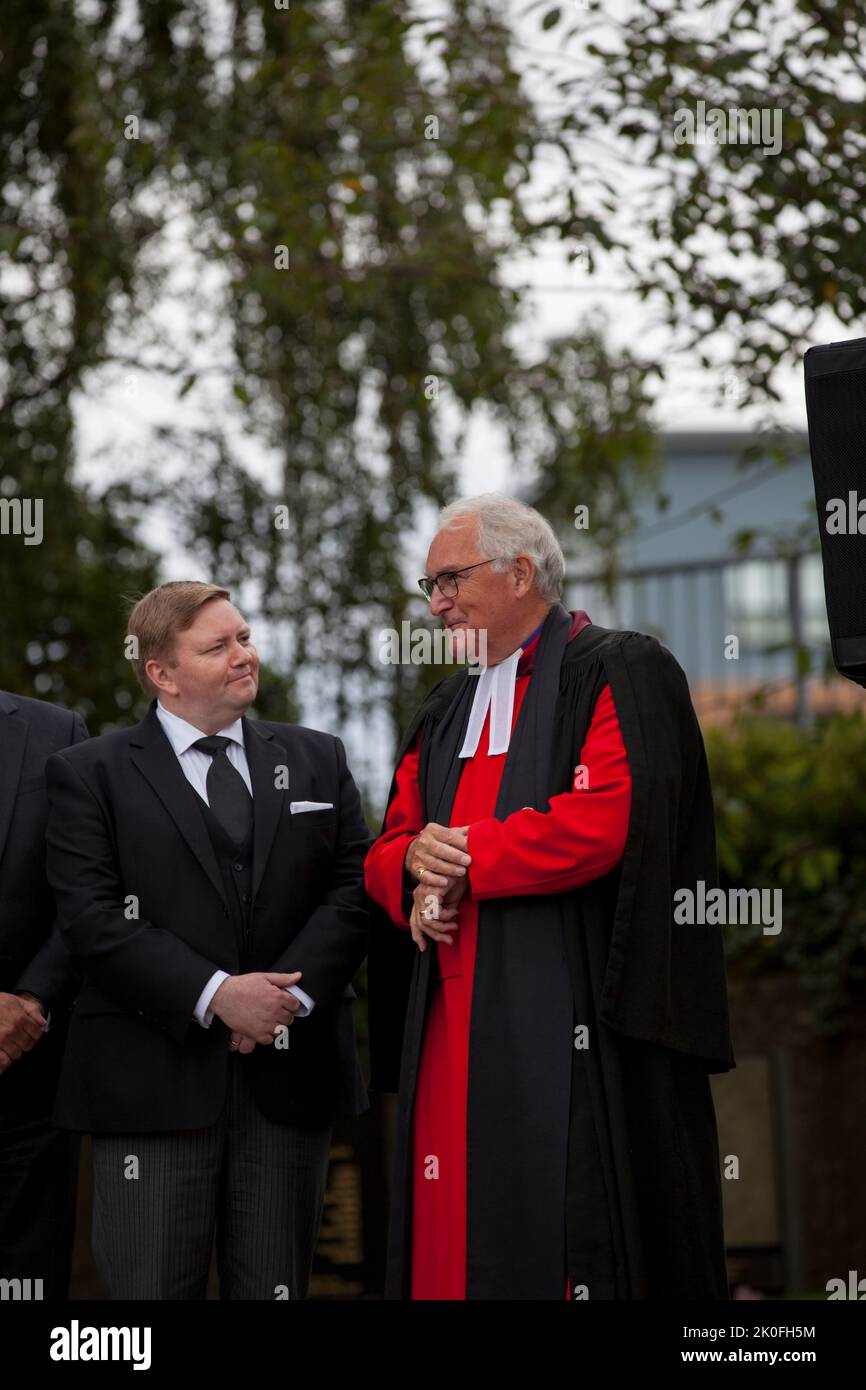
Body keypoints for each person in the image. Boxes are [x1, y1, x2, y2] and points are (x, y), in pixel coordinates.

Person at [365, 493, 735, 1300]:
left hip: (578, 1009)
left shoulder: (620, 666)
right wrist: (410, 875)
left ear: (521, 570)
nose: (437, 603)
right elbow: (389, 843)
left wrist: (456, 861)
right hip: (453, 1019)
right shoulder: (445, 706)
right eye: (427, 587)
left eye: (450, 580)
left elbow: (604, 821)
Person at [45, 581, 370, 1300]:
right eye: (218, 646)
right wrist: (219, 995)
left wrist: (287, 1000)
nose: (243, 656)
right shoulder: (88, 775)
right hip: (150, 1086)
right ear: (161, 672)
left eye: (245, 638)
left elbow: (355, 888)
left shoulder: (318, 758)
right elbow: (94, 920)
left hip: (289, 1083)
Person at [0, 689, 88, 1299]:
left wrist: (31, 1000)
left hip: (25, 1083)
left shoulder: (56, 731)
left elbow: (88, 891)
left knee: (24, 1287)